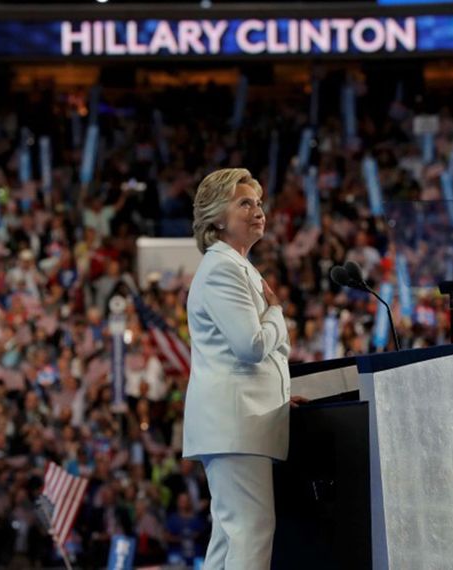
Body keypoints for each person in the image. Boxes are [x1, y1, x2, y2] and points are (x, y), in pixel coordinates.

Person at [183, 168, 302, 569]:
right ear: (217, 217)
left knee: (230, 538)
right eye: (245, 203)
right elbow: (251, 347)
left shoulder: (237, 266)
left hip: (239, 421)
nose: (258, 211)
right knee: (251, 532)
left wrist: (282, 398)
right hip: (236, 423)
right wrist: (276, 313)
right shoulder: (222, 268)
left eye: (259, 203)